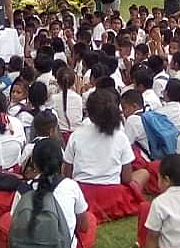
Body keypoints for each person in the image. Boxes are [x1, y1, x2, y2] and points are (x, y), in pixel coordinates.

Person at [0, 139, 98, 248]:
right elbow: (83, 227)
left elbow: (14, 227)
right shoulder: (71, 186)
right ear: (61, 162)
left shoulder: (22, 190)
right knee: (90, 219)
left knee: (5, 220)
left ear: (33, 163)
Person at [63, 89, 149, 222]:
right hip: (113, 196)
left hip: (82, 194)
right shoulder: (120, 136)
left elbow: (67, 174)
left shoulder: (76, 135)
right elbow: (126, 179)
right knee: (143, 173)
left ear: (89, 114)